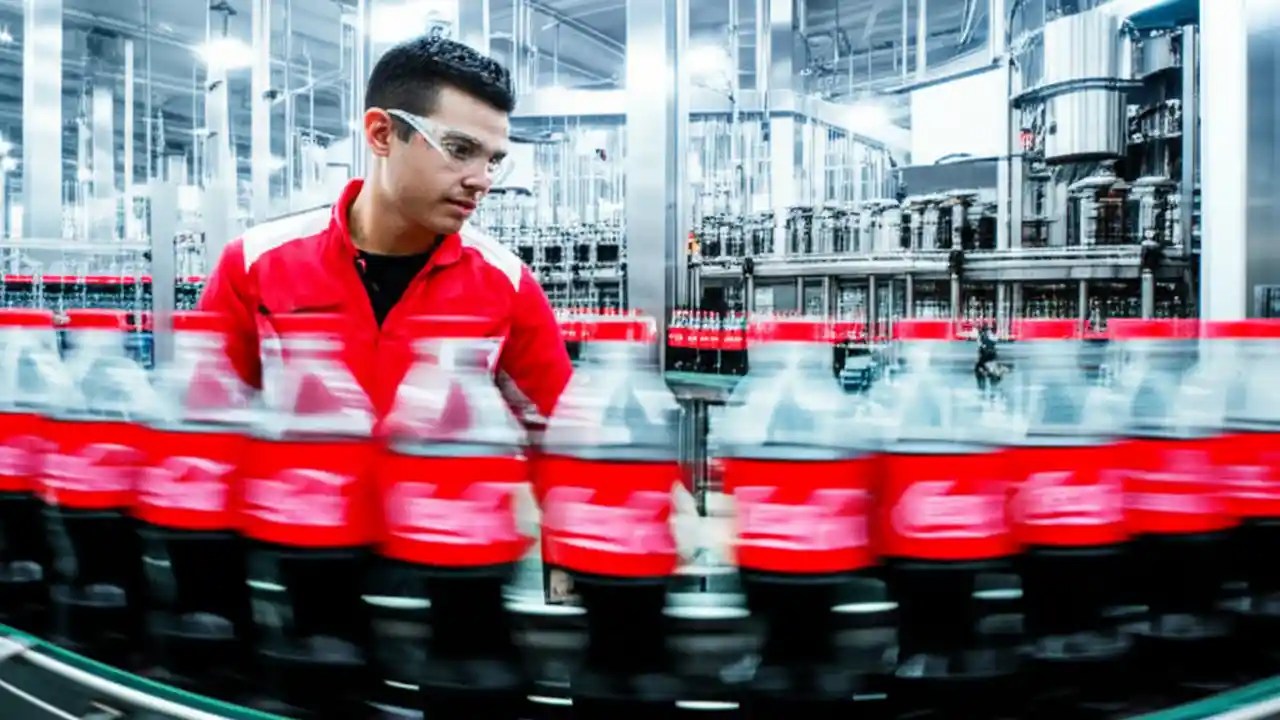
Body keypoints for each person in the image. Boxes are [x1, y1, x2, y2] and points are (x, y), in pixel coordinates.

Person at [198, 35, 572, 422]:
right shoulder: (254, 266)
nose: (483, 180)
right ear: (381, 134)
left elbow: (561, 442)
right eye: (460, 150)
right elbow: (202, 433)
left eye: (493, 161)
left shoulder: (506, 284)